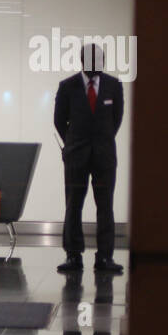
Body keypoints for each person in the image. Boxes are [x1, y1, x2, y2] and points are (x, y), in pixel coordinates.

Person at [54, 43, 125, 273]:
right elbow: (59, 120)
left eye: (100, 59)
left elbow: (116, 119)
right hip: (76, 155)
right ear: (82, 61)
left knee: (105, 206)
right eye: (92, 60)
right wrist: (72, 143)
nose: (97, 64)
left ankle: (105, 257)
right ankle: (73, 256)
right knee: (73, 205)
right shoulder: (67, 86)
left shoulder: (114, 85)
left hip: (104, 156)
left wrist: (102, 140)